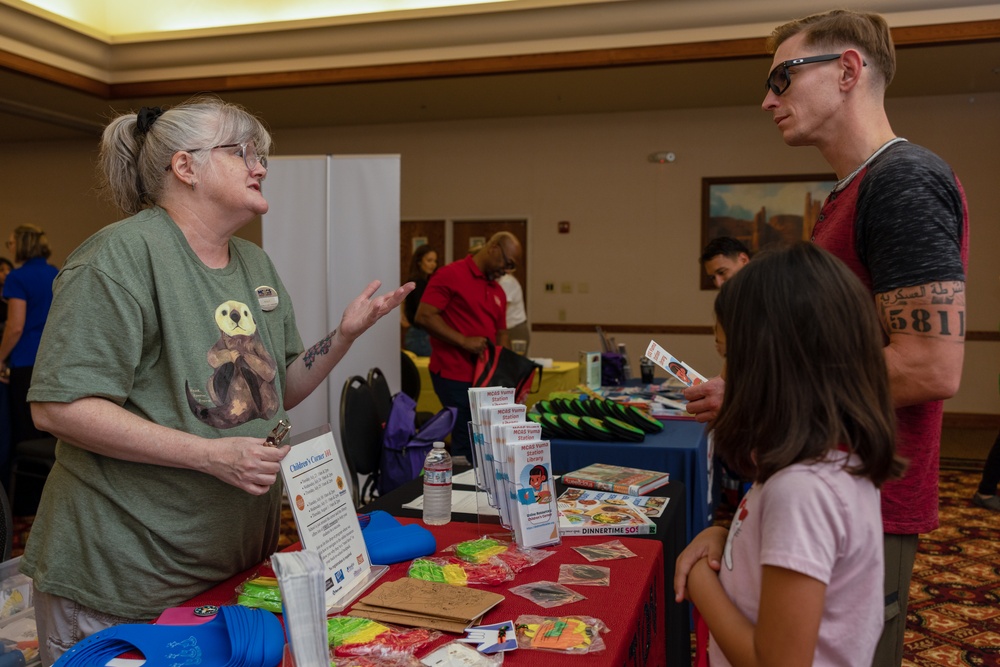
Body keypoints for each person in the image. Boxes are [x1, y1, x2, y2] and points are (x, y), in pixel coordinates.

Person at [19, 96, 412, 666]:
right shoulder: (118, 257)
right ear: (186, 167)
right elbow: (59, 408)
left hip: (227, 567)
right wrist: (209, 456)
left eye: (261, 155)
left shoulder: (255, 263)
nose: (260, 166)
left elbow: (278, 390)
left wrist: (344, 336)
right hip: (125, 577)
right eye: (243, 152)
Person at [684, 11, 968, 666]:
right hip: (819, 486)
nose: (767, 98)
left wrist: (766, 398)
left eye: (783, 77)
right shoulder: (850, 191)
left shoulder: (901, 182)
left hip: (856, 497)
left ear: (847, 70)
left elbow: (930, 366)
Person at [675, 242, 903, 667]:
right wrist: (722, 541)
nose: (725, 379)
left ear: (767, 367)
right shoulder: (823, 463)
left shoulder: (801, 490)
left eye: (731, 359)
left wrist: (702, 581)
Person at [414, 232, 521, 462]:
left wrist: (506, 373)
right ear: (493, 247)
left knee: (484, 441)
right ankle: (464, 491)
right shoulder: (450, 274)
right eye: (507, 263)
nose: (506, 270)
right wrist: (463, 340)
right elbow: (424, 316)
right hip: (454, 374)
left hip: (485, 380)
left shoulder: (498, 290)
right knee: (466, 438)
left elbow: (502, 332)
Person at [0, 225, 58, 447]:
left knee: (25, 432)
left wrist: (0, 358)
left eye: (11, 243)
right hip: (51, 358)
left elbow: (15, 326)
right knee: (48, 431)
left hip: (26, 362)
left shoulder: (17, 277)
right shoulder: (55, 272)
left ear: (23, 245)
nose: (10, 248)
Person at [401, 244, 438, 357]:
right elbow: (422, 311)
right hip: (420, 335)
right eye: (429, 260)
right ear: (419, 262)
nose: (433, 264)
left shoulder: (419, 281)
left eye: (435, 261)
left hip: (419, 334)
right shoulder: (418, 282)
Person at [497, 271, 528, 354]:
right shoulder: (498, 282)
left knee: (514, 363)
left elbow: (502, 308)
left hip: (514, 329)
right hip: (506, 329)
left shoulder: (507, 282)